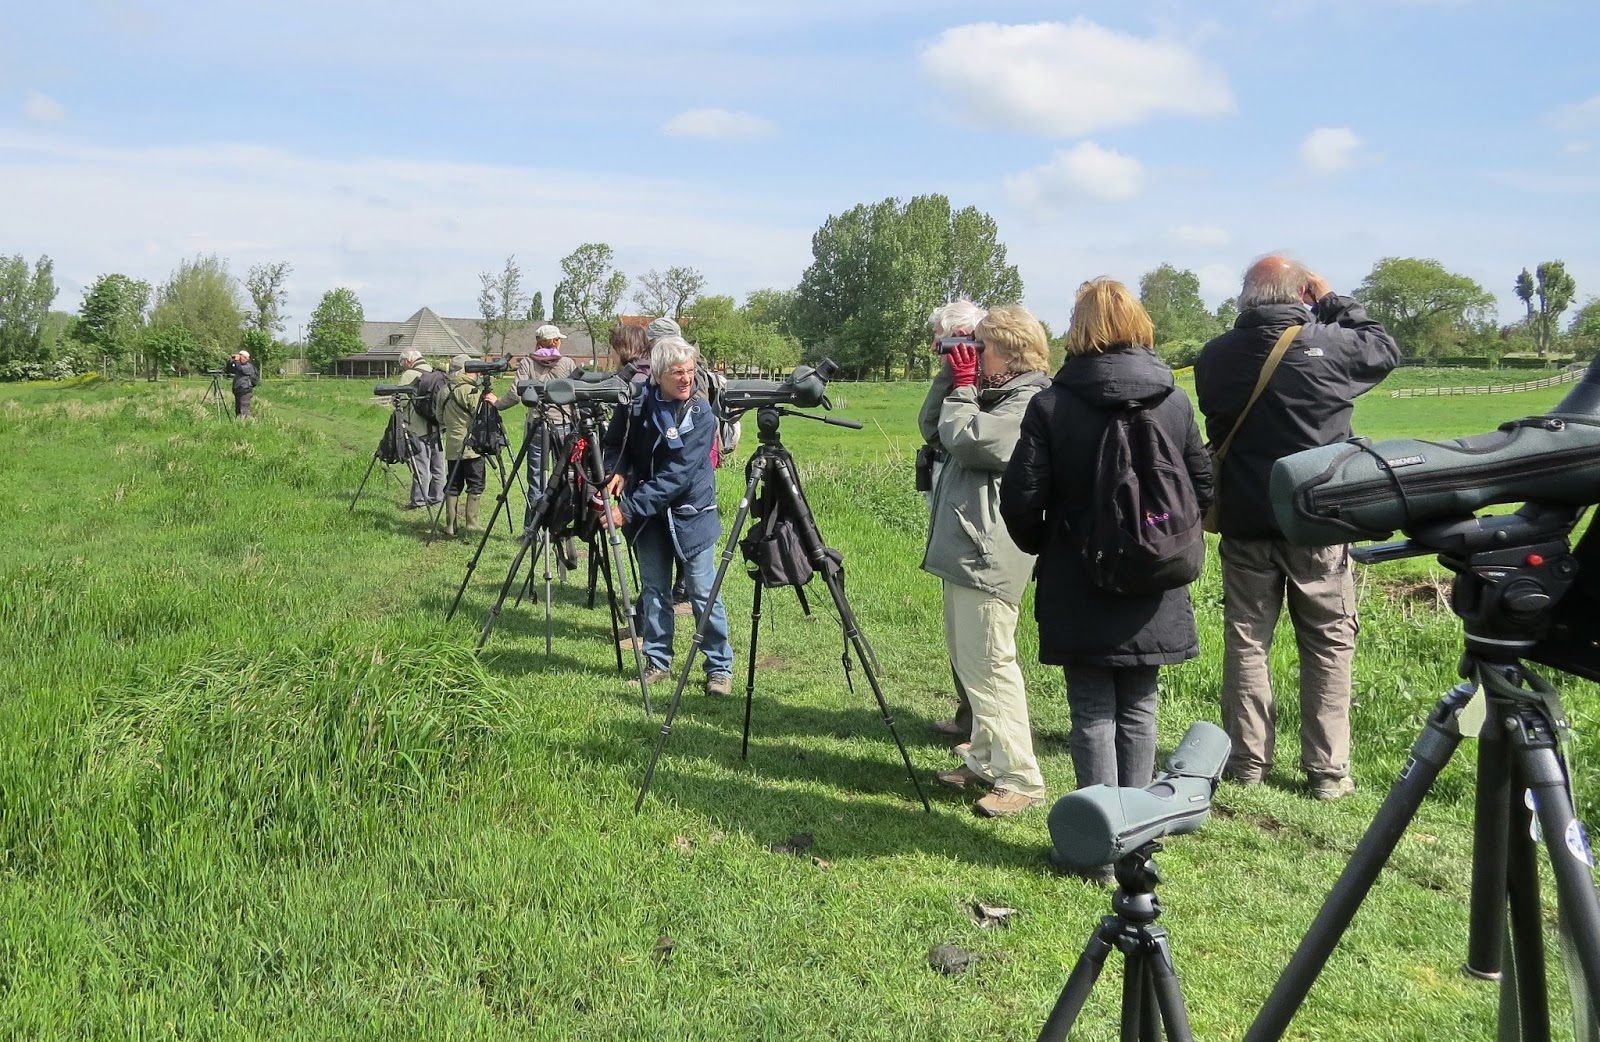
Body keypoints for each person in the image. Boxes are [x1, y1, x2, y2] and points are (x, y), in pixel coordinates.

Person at [1001, 278, 1213, 816]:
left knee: (1092, 708)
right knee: (1140, 705)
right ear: (1138, 324)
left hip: (1079, 569)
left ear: (1079, 328)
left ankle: (1099, 836)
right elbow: (1203, 485)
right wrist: (1167, 536)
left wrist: (1048, 546)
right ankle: (1138, 831)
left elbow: (1022, 499)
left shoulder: (1052, 405)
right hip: (1157, 570)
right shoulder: (1174, 401)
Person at [1194, 256, 1400, 800]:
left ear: (1245, 295)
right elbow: (1384, 348)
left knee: (1246, 641)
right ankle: (1328, 772)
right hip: (1318, 518)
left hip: (1245, 516)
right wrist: (1332, 301)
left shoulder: (1214, 356)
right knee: (1330, 642)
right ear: (1302, 292)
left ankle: (1246, 762)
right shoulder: (1330, 345)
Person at [923, 305, 1052, 818]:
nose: (976, 357)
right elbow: (935, 428)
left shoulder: (1032, 400)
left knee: (993, 666)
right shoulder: (994, 392)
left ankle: (1020, 776)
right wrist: (952, 372)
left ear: (1010, 352)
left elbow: (973, 442)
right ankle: (982, 757)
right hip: (968, 547)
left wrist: (964, 388)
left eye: (983, 347)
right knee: (968, 659)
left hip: (991, 551)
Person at [603, 335, 734, 695]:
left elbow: (678, 476)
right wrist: (618, 468)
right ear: (657, 374)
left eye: (690, 371)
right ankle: (657, 661)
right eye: (678, 372)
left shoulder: (701, 412)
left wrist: (626, 508)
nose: (686, 379)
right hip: (650, 517)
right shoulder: (635, 403)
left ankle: (719, 668)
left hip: (690, 513)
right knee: (655, 590)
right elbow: (615, 442)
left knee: (702, 592)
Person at [917, 300, 988, 740]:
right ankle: (969, 716)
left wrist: (955, 375)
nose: (938, 347)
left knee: (978, 630)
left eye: (947, 339)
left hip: (976, 518)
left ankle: (981, 724)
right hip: (958, 508)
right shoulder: (967, 375)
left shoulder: (984, 381)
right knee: (960, 622)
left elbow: (935, 426)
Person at [439, 353, 490, 537]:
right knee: (475, 484)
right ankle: (471, 523)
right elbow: (481, 417)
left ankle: (450, 526)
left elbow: (439, 418)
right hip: (472, 446)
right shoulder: (471, 391)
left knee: (453, 485)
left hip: (453, 446)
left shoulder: (443, 390)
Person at [395, 348, 444, 510]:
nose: (403, 367)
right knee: (438, 466)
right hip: (437, 425)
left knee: (421, 466)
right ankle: (437, 498)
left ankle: (419, 502)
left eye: (402, 363)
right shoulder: (434, 372)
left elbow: (400, 401)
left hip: (418, 428)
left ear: (407, 361)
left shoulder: (409, 375)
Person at [224, 350, 259, 419]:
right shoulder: (238, 365)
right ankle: (239, 424)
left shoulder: (249, 366)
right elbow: (229, 369)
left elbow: (241, 369)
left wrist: (236, 361)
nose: (239, 359)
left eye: (241, 357)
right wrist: (232, 361)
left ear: (246, 358)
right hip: (238, 390)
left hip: (245, 391)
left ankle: (246, 425)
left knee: (244, 411)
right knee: (238, 410)